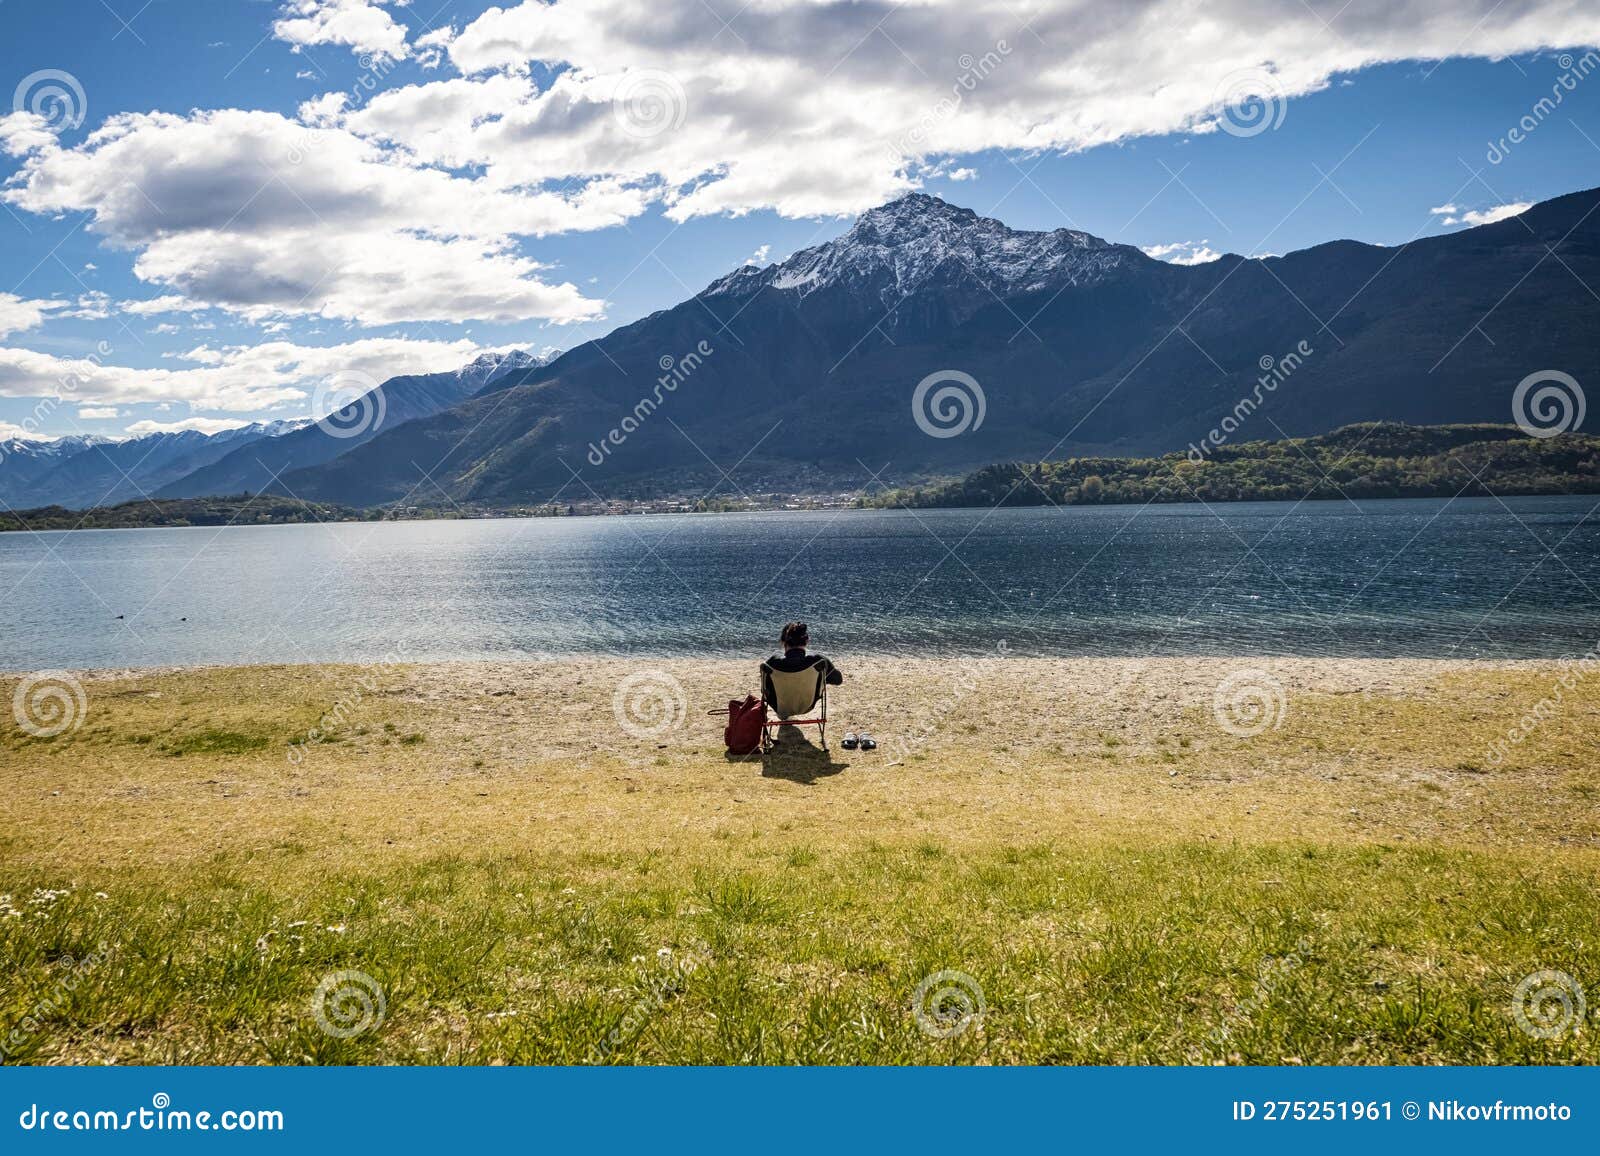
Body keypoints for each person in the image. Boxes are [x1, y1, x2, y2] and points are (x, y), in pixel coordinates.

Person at [762, 621, 843, 711]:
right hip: (807, 705)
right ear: (807, 640)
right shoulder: (817, 661)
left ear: (784, 642)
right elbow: (838, 680)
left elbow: (765, 688)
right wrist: (818, 679)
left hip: (779, 706)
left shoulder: (773, 662)